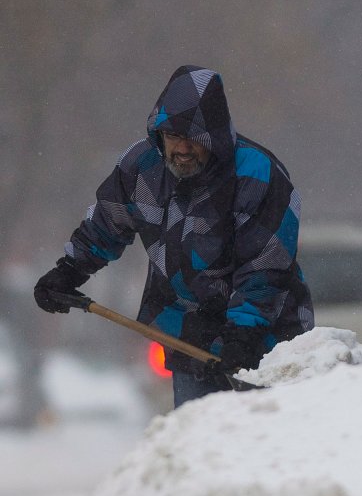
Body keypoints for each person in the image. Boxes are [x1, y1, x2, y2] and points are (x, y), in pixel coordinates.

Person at [33, 65, 314, 407]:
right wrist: (68, 271)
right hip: (190, 340)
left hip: (269, 346)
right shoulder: (141, 168)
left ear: (215, 137)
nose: (182, 147)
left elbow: (265, 267)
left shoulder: (256, 176)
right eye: (172, 135)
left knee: (261, 448)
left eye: (193, 137)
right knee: (200, 447)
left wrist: (244, 334)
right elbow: (107, 223)